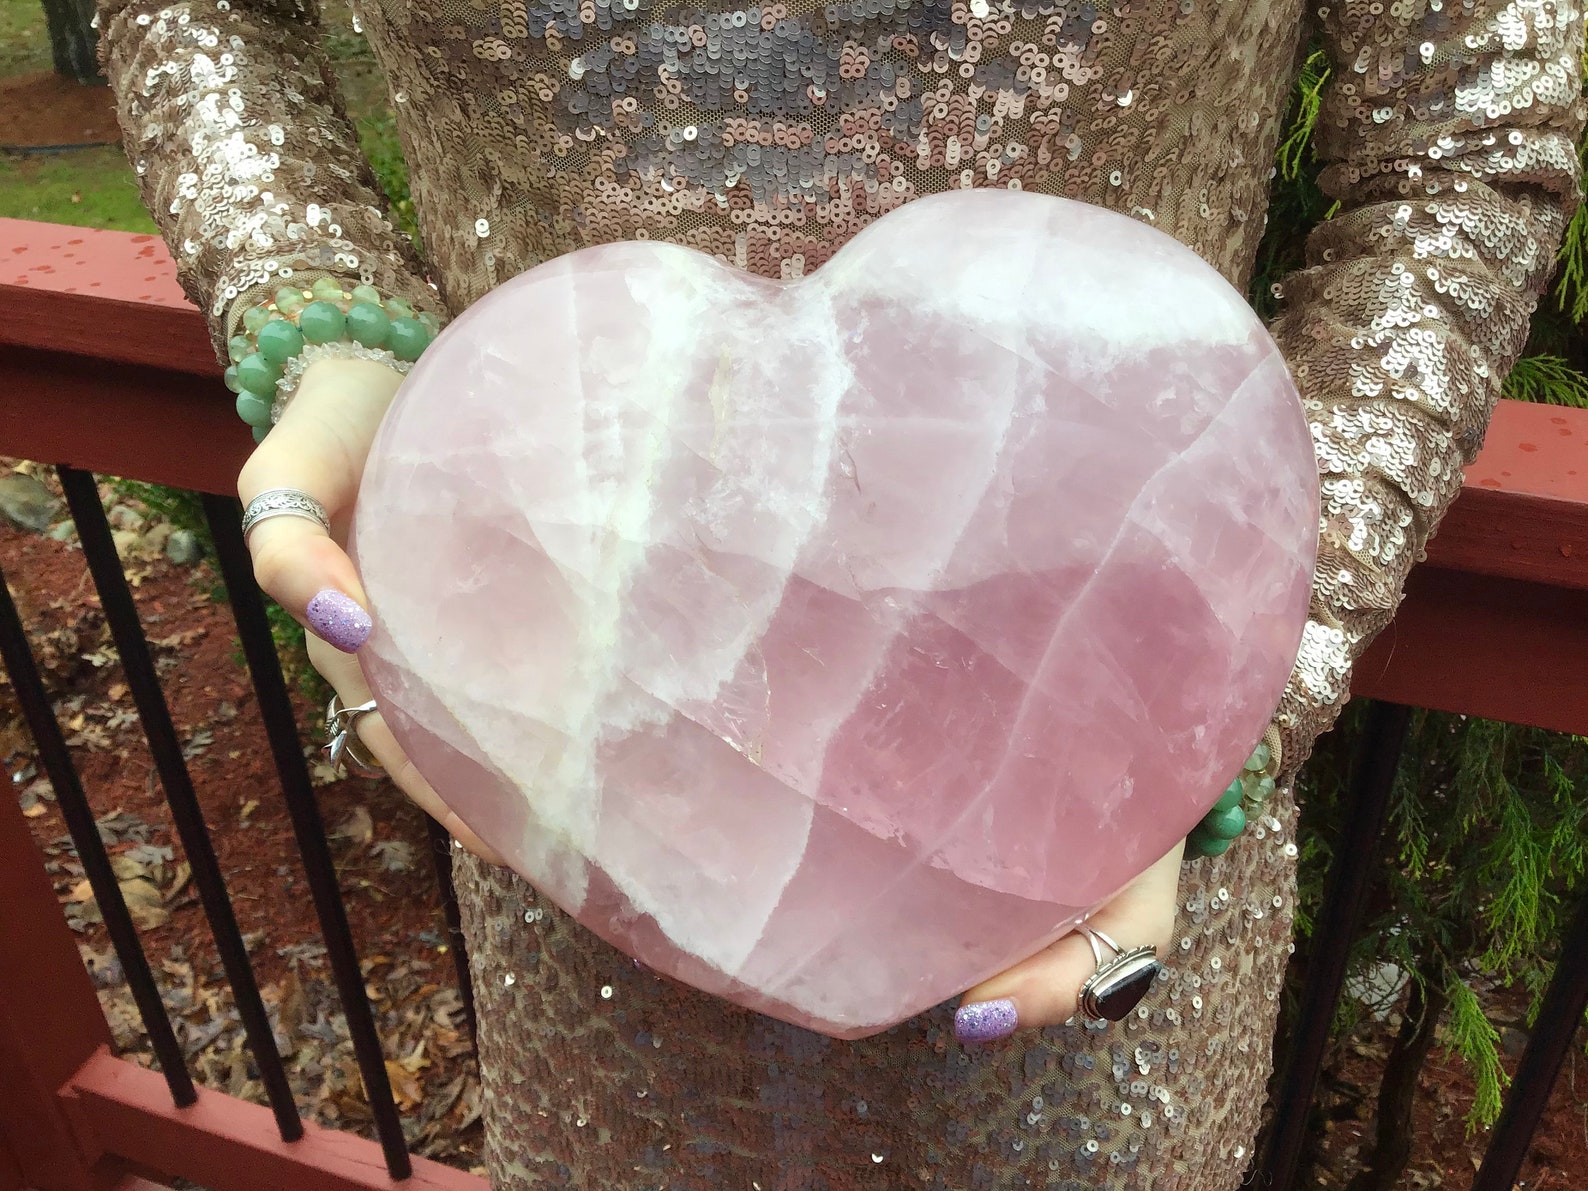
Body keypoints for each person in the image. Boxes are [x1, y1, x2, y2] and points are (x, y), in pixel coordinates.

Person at [97, 0, 1583, 1182]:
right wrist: (322, 311)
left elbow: (1475, 128)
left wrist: (1249, 658)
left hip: (1097, 834)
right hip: (584, 790)